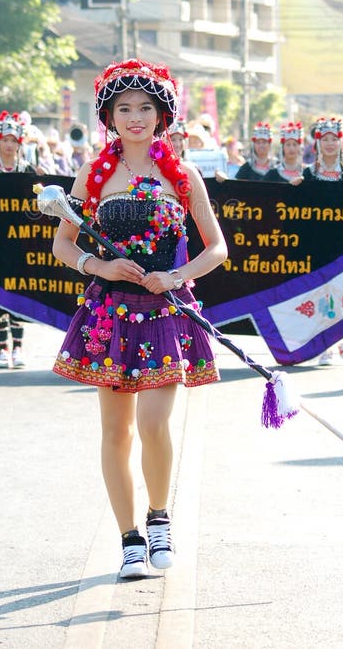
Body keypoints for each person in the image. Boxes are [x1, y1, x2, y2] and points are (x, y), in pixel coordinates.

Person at [51, 58, 227, 580]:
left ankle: (158, 520)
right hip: (111, 312)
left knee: (154, 424)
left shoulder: (183, 173)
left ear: (161, 115)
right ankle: (128, 539)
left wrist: (176, 277)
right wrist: (99, 263)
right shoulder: (93, 174)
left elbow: (215, 248)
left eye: (145, 107)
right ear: (109, 114)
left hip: (165, 312)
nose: (134, 117)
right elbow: (63, 243)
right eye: (124, 107)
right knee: (116, 431)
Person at [301, 116, 343, 364]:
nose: (329, 144)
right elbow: (300, 209)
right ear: (317, 143)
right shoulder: (309, 174)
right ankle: (324, 344)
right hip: (318, 242)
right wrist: (296, 188)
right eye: (325, 139)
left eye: (334, 139)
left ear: (341, 143)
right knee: (322, 291)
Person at [0, 111, 32, 368]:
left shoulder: (27, 171)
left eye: (14, 140)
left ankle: (19, 347)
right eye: (5, 140)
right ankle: (2, 349)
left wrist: (42, 180)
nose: (9, 145)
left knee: (19, 293)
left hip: (20, 244)